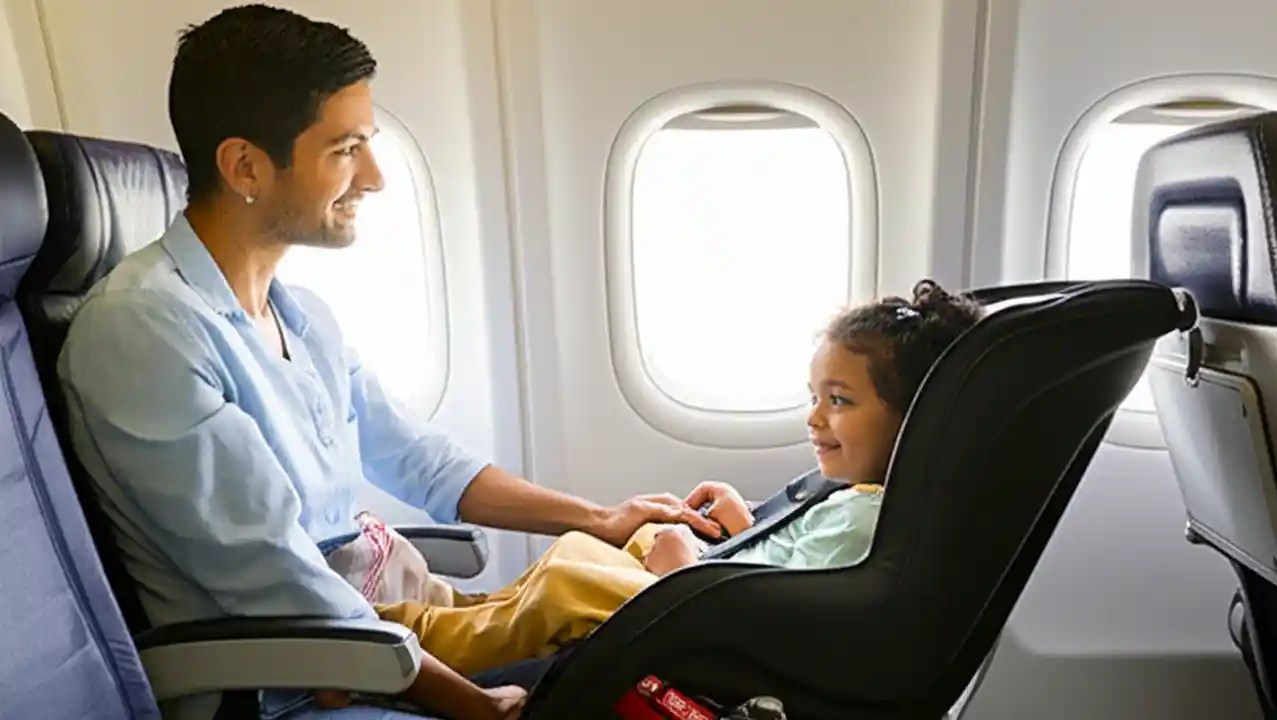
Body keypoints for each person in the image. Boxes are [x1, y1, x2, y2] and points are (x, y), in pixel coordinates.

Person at [55, 5, 719, 720]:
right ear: (245, 165)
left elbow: (417, 458)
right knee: (620, 632)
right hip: (287, 677)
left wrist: (600, 518)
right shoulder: (144, 332)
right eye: (345, 149)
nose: (373, 177)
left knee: (606, 567)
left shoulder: (298, 312)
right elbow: (280, 584)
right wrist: (480, 709)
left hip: (380, 622)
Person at [355, 280, 985, 680]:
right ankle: (450, 615)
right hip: (714, 597)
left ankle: (408, 644)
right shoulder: (857, 502)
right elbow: (788, 567)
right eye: (814, 396)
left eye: (840, 401)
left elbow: (788, 617)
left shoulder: (865, 519)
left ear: (917, 419)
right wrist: (741, 526)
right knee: (581, 549)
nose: (815, 417)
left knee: (572, 579)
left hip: (716, 632)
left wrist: (682, 569)